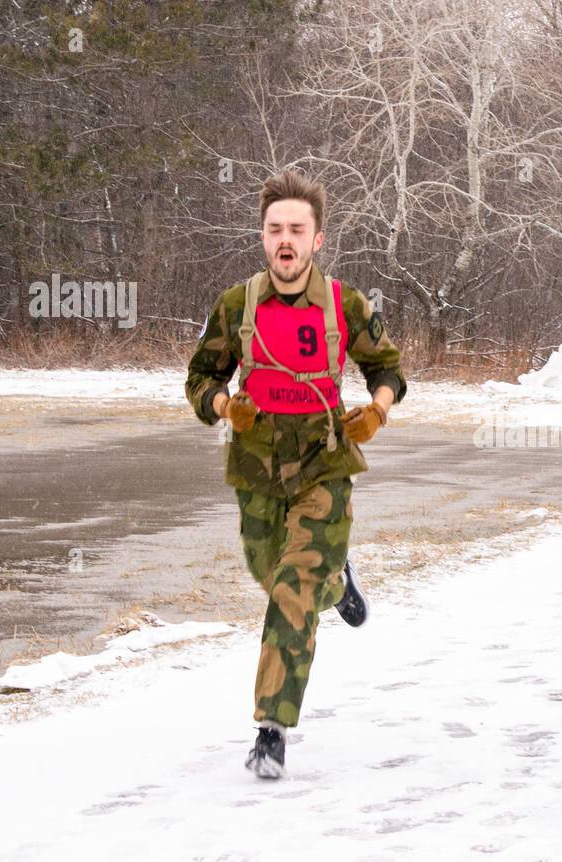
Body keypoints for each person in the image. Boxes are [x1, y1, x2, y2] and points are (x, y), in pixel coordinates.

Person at [185, 167, 406, 778]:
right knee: (270, 571)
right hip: (255, 470)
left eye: (297, 229)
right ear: (262, 237)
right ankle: (339, 583)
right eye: (275, 229)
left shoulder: (345, 305)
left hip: (324, 465)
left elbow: (389, 369)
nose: (286, 240)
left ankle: (270, 730)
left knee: (292, 590)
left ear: (318, 239)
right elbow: (199, 380)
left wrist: (377, 412)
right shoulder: (235, 306)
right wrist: (227, 405)